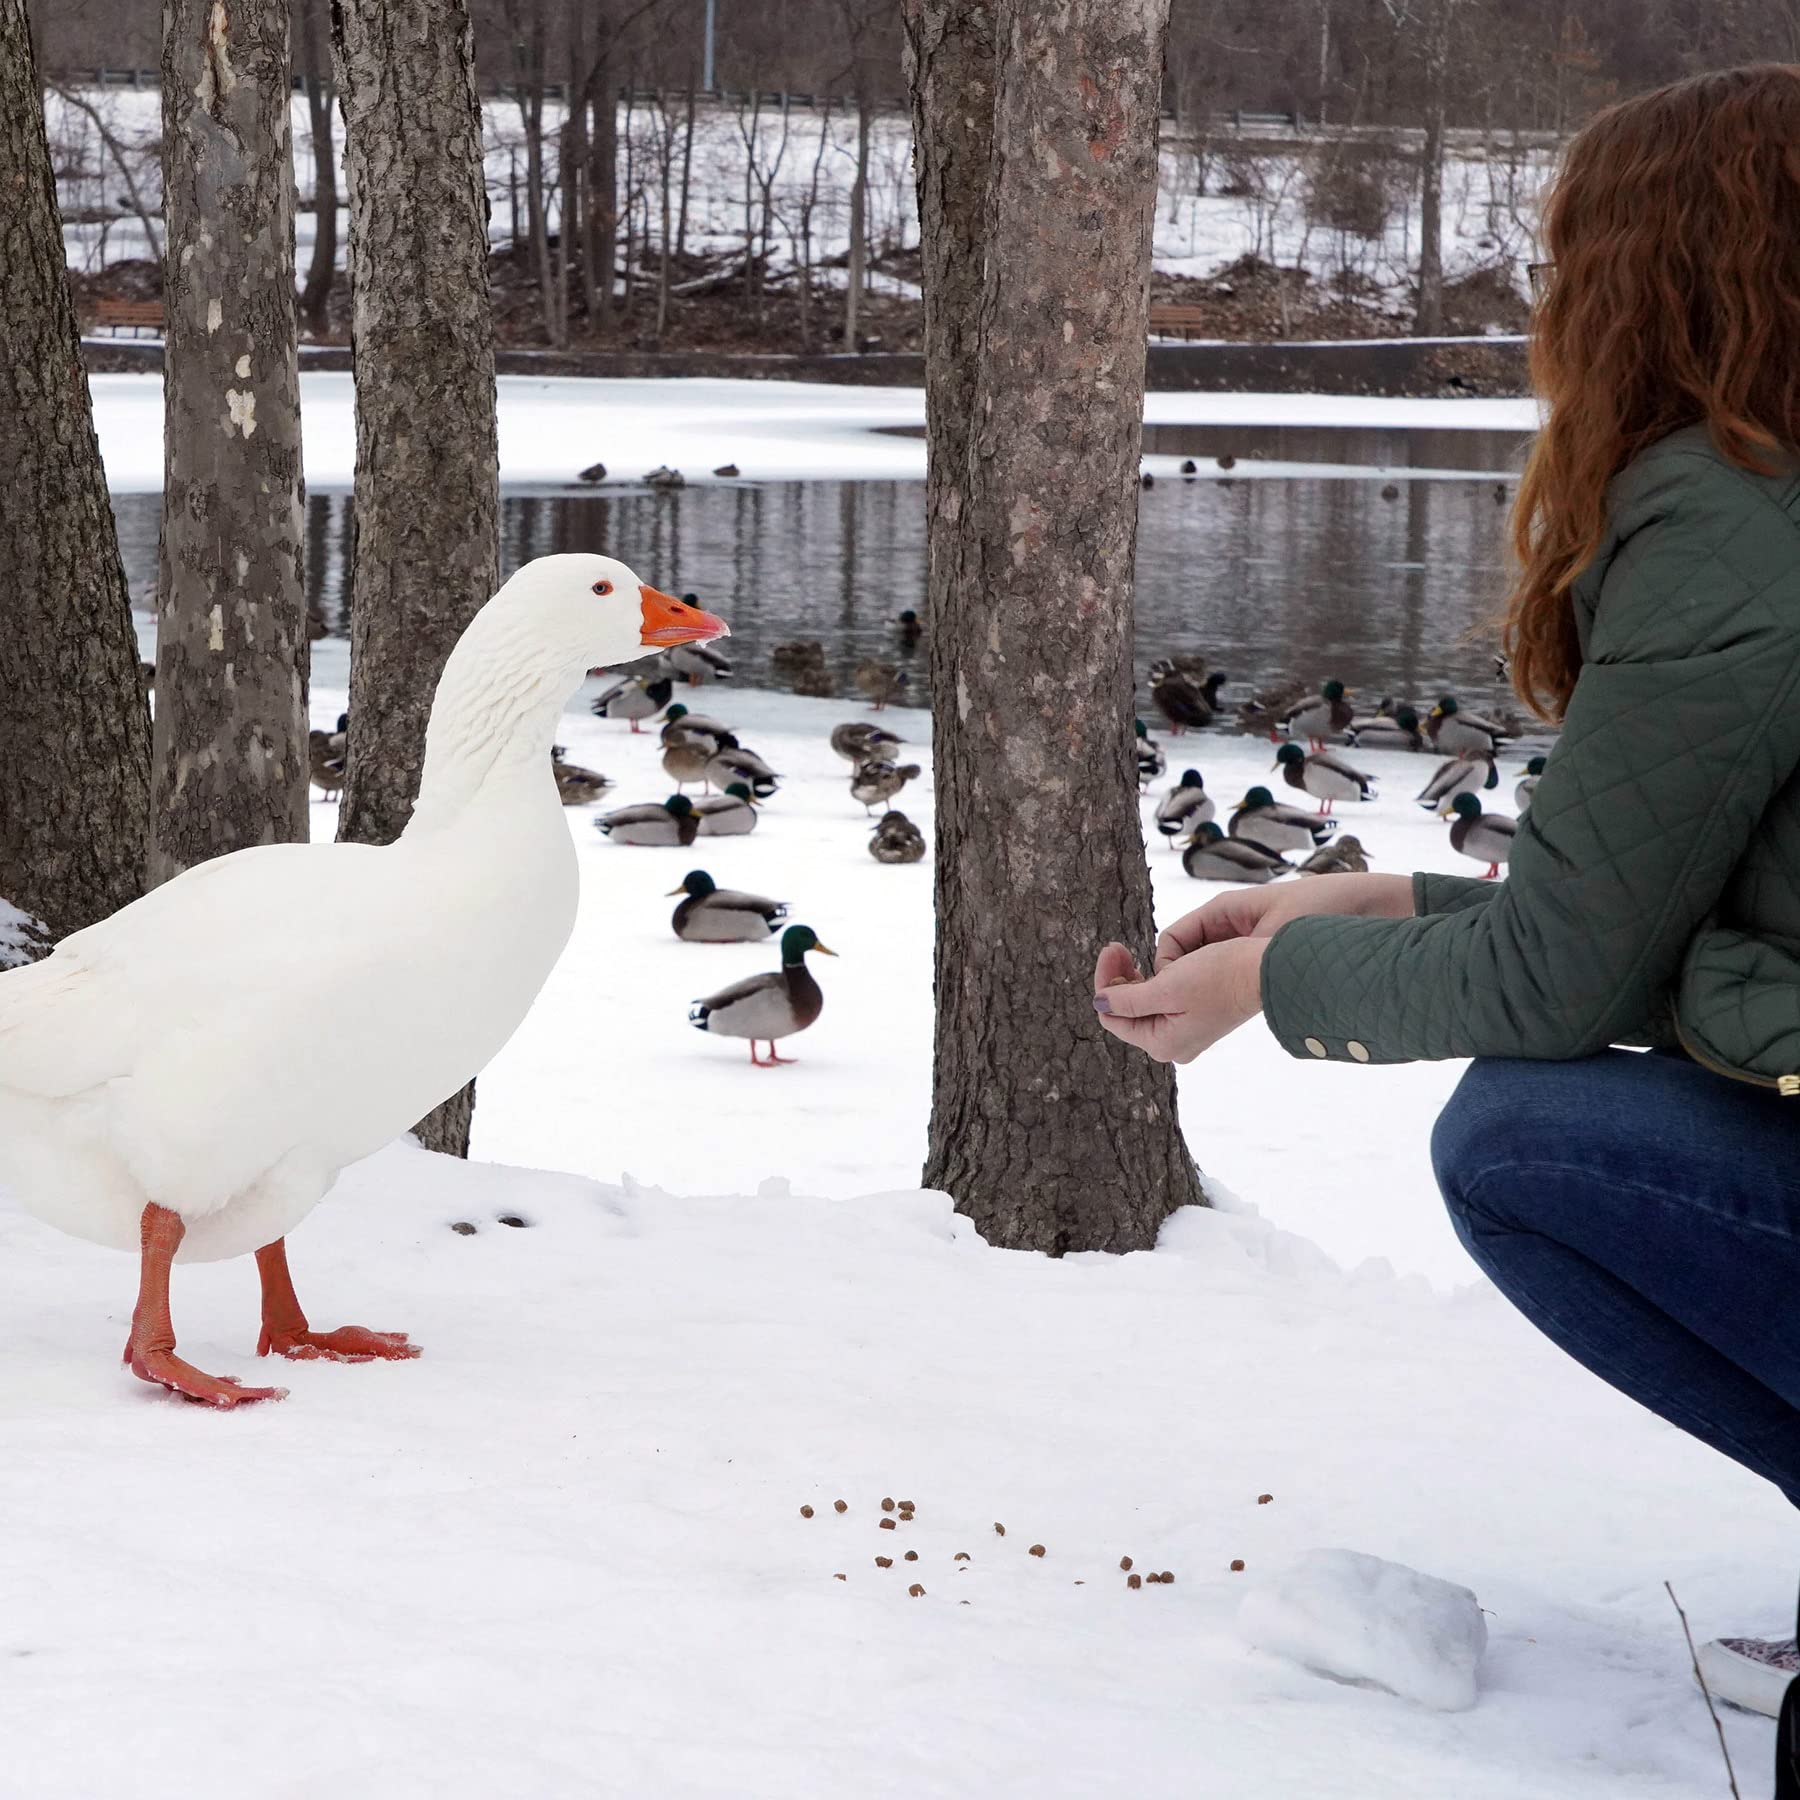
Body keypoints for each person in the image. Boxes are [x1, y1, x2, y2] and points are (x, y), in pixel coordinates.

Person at [1094, 64, 1800, 1765]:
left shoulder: (1728, 516)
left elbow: (1574, 974)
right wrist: (1372, 892)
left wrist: (1281, 981)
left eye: (1571, 259)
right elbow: (1681, 904)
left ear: (1647, 277)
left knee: (1528, 1140)